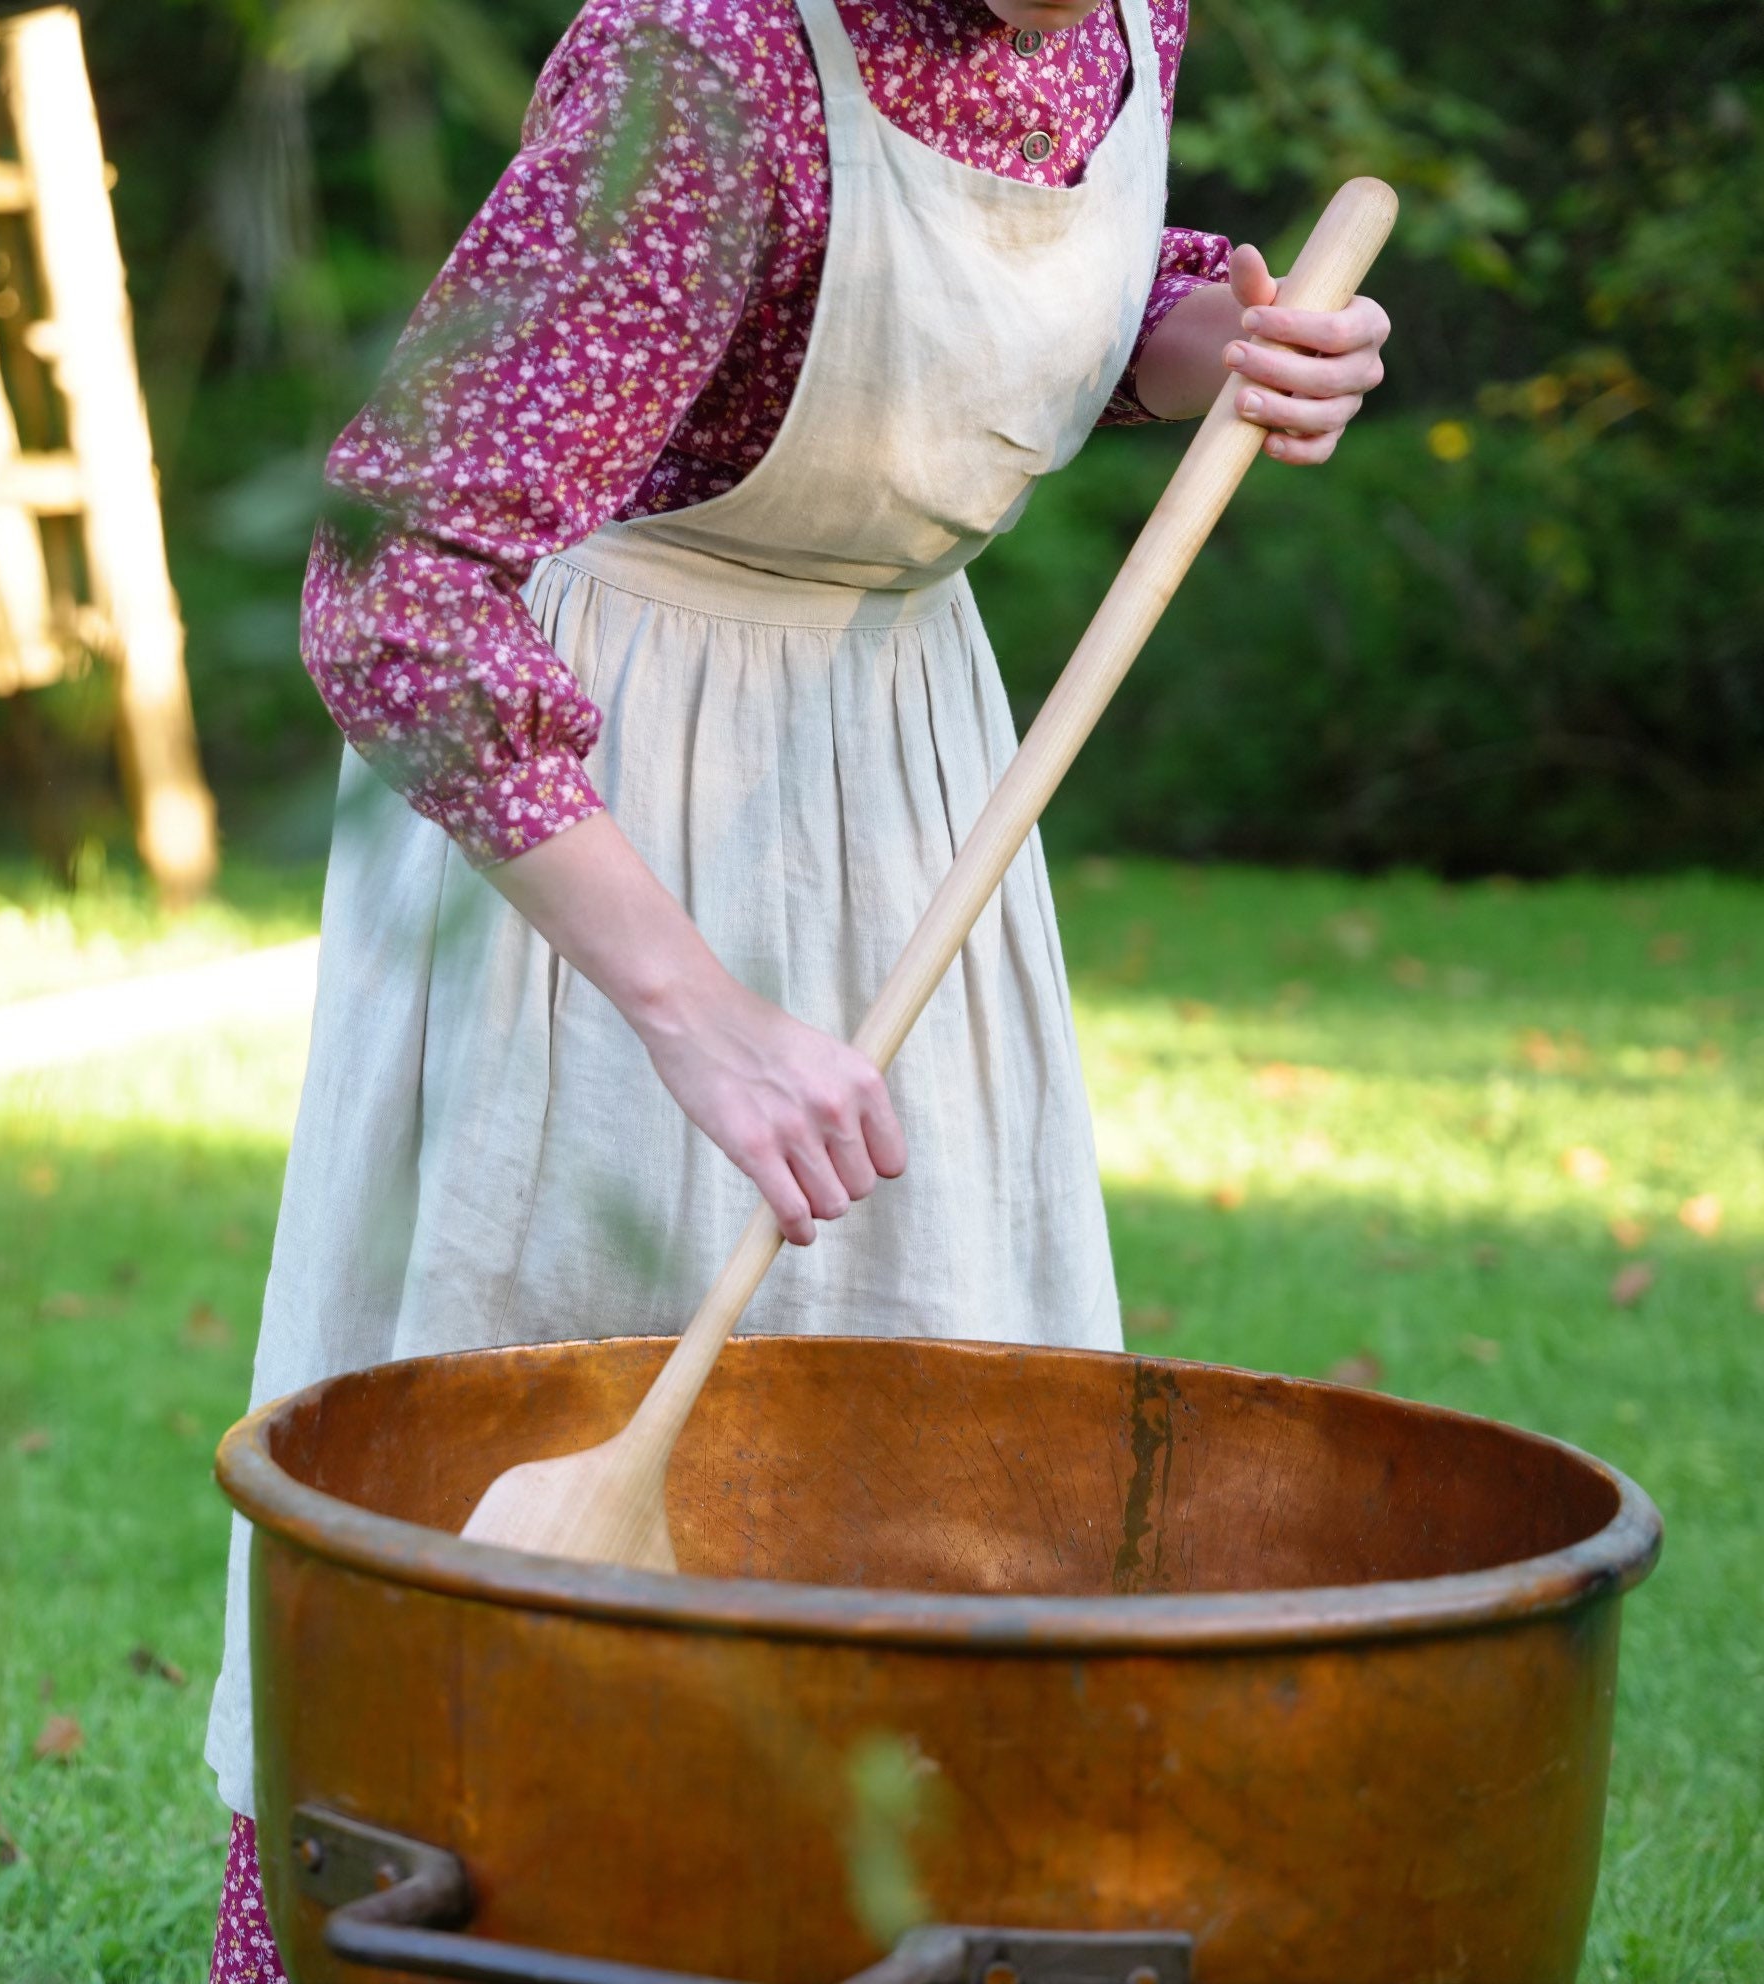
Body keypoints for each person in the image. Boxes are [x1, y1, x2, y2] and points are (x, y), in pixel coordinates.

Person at [204, 0, 1392, 1971]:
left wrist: (1202, 343)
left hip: (912, 759)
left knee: (938, 1409)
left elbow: (959, 321)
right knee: (546, 1374)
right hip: (598, 784)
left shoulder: (1127, 28)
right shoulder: (710, 56)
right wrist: (698, 1009)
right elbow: (391, 572)